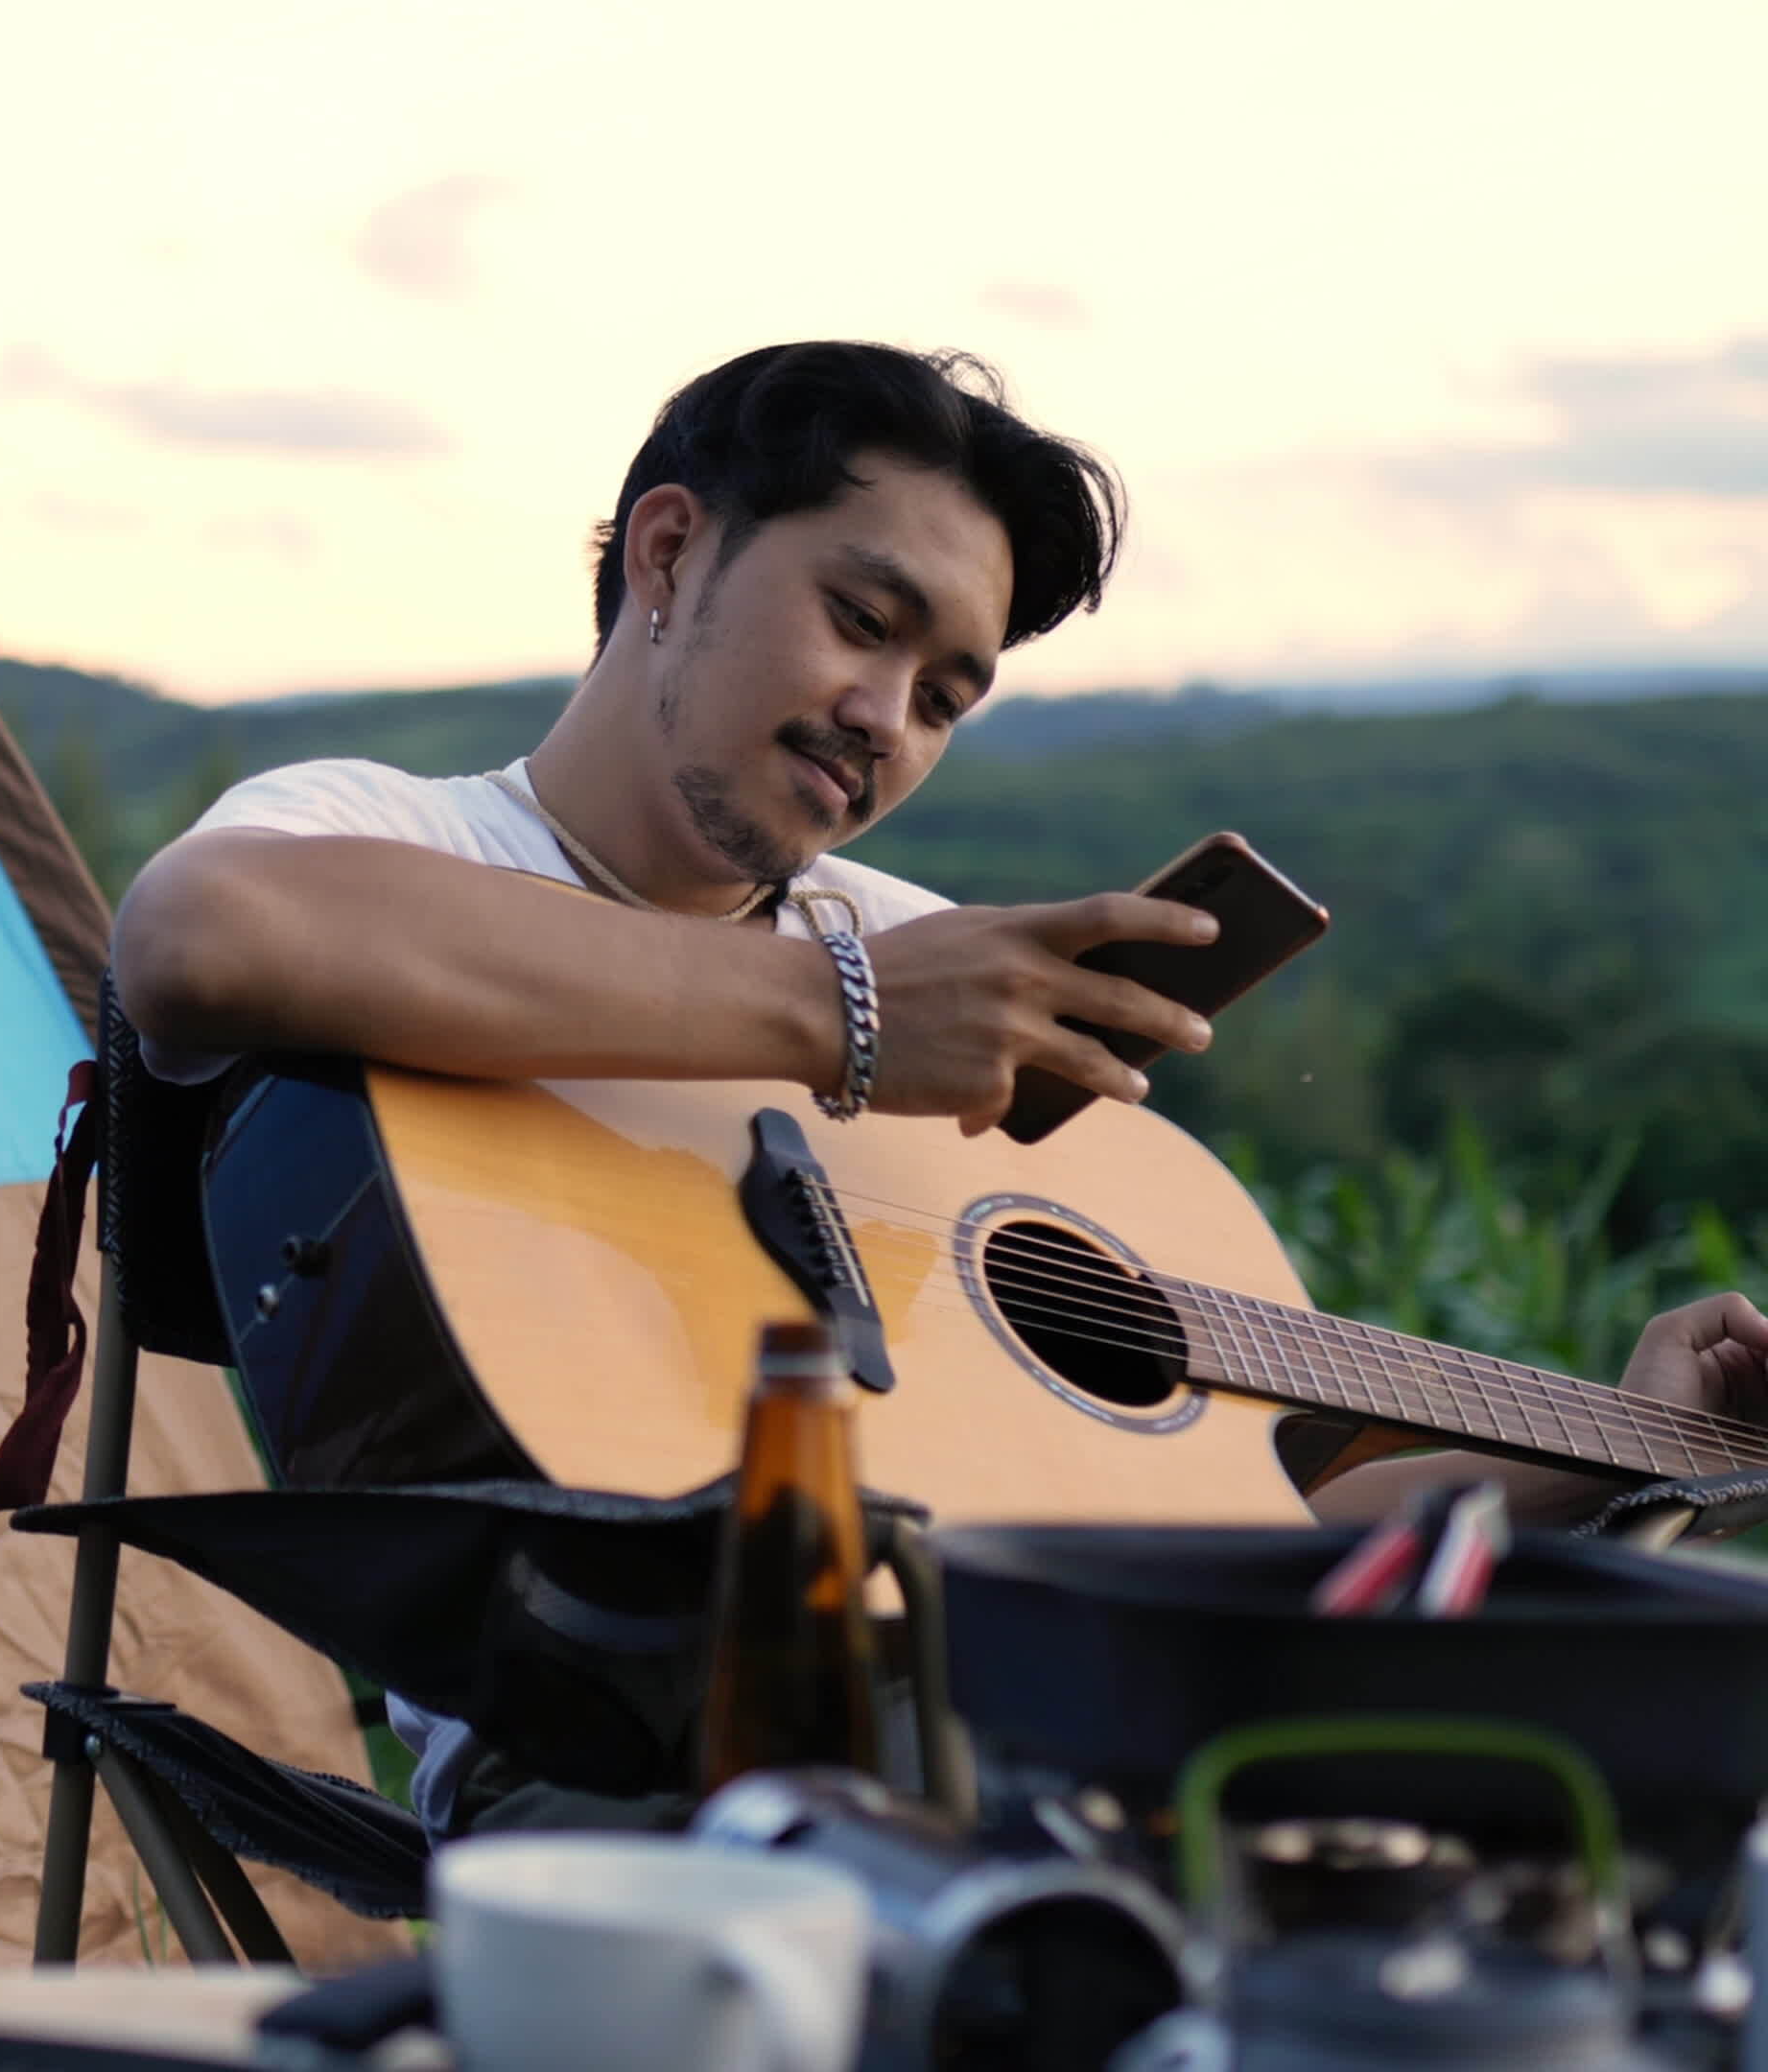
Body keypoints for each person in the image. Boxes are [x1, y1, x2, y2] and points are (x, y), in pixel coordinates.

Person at [106, 340, 1768, 1820]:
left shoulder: (918, 948)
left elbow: (1234, 1531)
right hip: (660, 1793)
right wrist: (848, 1013)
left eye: (948, 696)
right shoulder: (394, 833)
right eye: (864, 620)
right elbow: (200, 931)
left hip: (1062, 1768)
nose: (886, 720)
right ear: (671, 553)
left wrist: (1631, 1440)